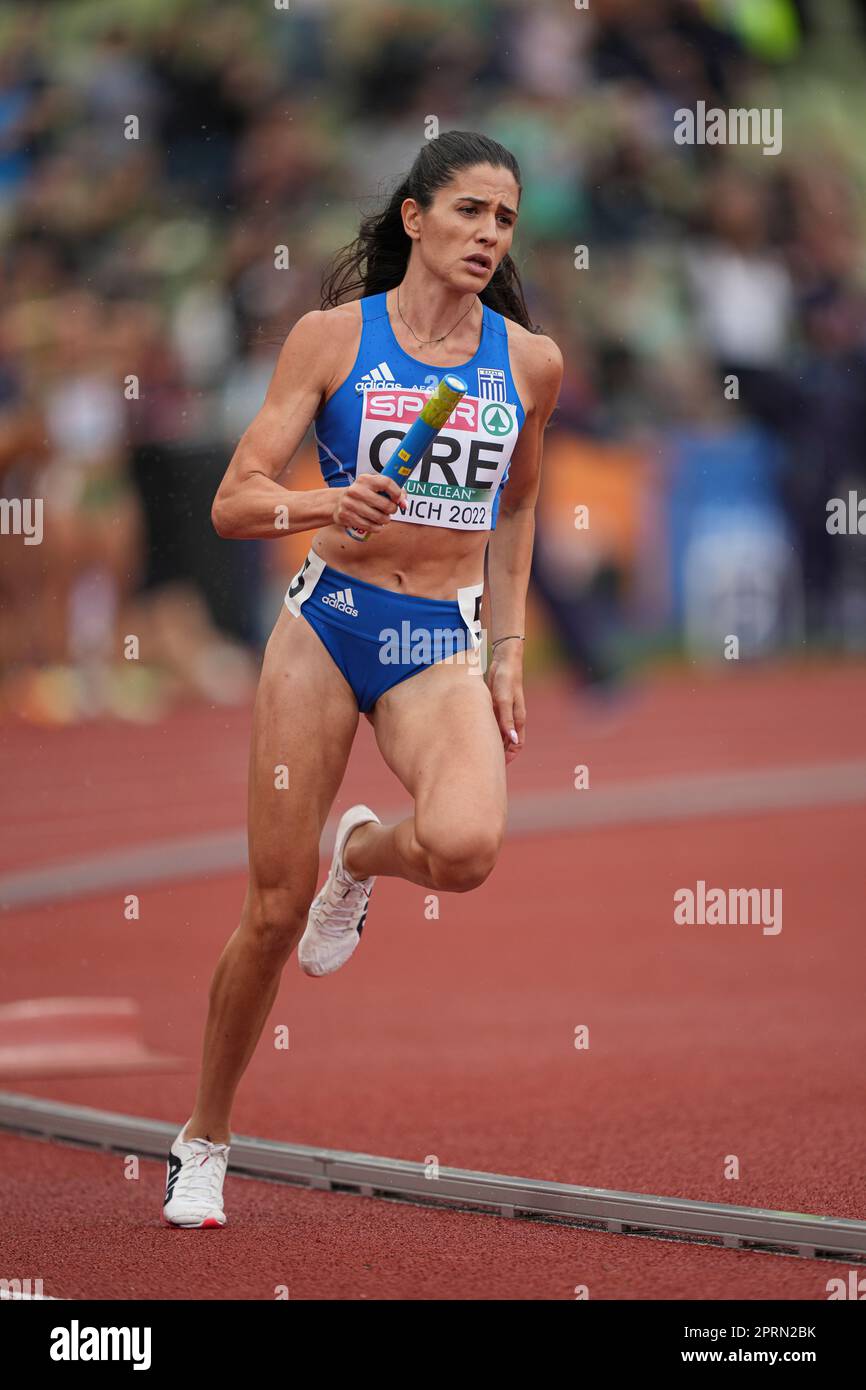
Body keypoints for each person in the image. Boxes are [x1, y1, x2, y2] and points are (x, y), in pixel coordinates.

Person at [162, 131, 563, 1228]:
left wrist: (510, 647)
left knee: (468, 846)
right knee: (272, 909)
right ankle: (203, 1137)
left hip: (437, 636)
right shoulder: (331, 339)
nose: (489, 234)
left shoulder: (527, 362)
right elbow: (235, 500)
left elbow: (520, 503)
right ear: (414, 218)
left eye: (505, 220)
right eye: (471, 211)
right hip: (329, 625)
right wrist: (322, 504)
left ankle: (363, 854)